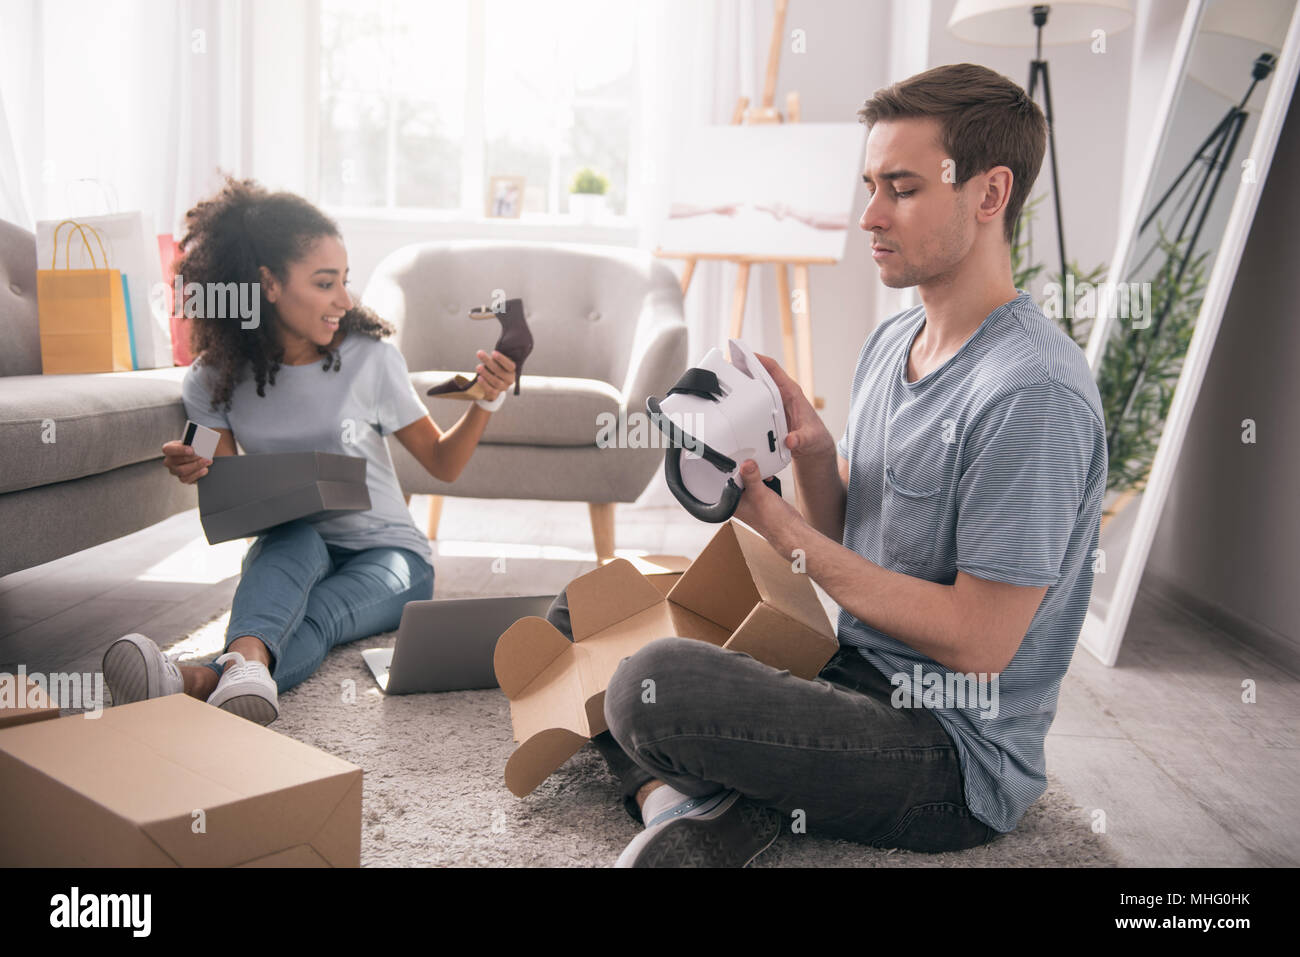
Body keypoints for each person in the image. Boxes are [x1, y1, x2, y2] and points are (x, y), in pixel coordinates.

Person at [546, 62, 1109, 867]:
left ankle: (703, 795)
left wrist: (775, 522)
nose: (870, 215)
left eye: (902, 188)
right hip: (850, 670)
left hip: (946, 751)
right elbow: (854, 542)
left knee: (650, 685)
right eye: (871, 184)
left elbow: (979, 641)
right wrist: (814, 455)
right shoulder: (892, 344)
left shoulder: (1033, 394)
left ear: (989, 196)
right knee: (587, 612)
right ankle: (689, 808)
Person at [101, 177, 516, 724]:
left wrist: (485, 402)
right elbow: (229, 488)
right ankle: (242, 673)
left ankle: (191, 677)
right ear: (268, 284)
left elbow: (443, 462)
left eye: (345, 281)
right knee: (291, 544)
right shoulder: (212, 379)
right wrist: (194, 465)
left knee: (314, 615)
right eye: (325, 284)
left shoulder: (370, 358)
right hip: (292, 543)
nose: (344, 300)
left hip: (388, 555)